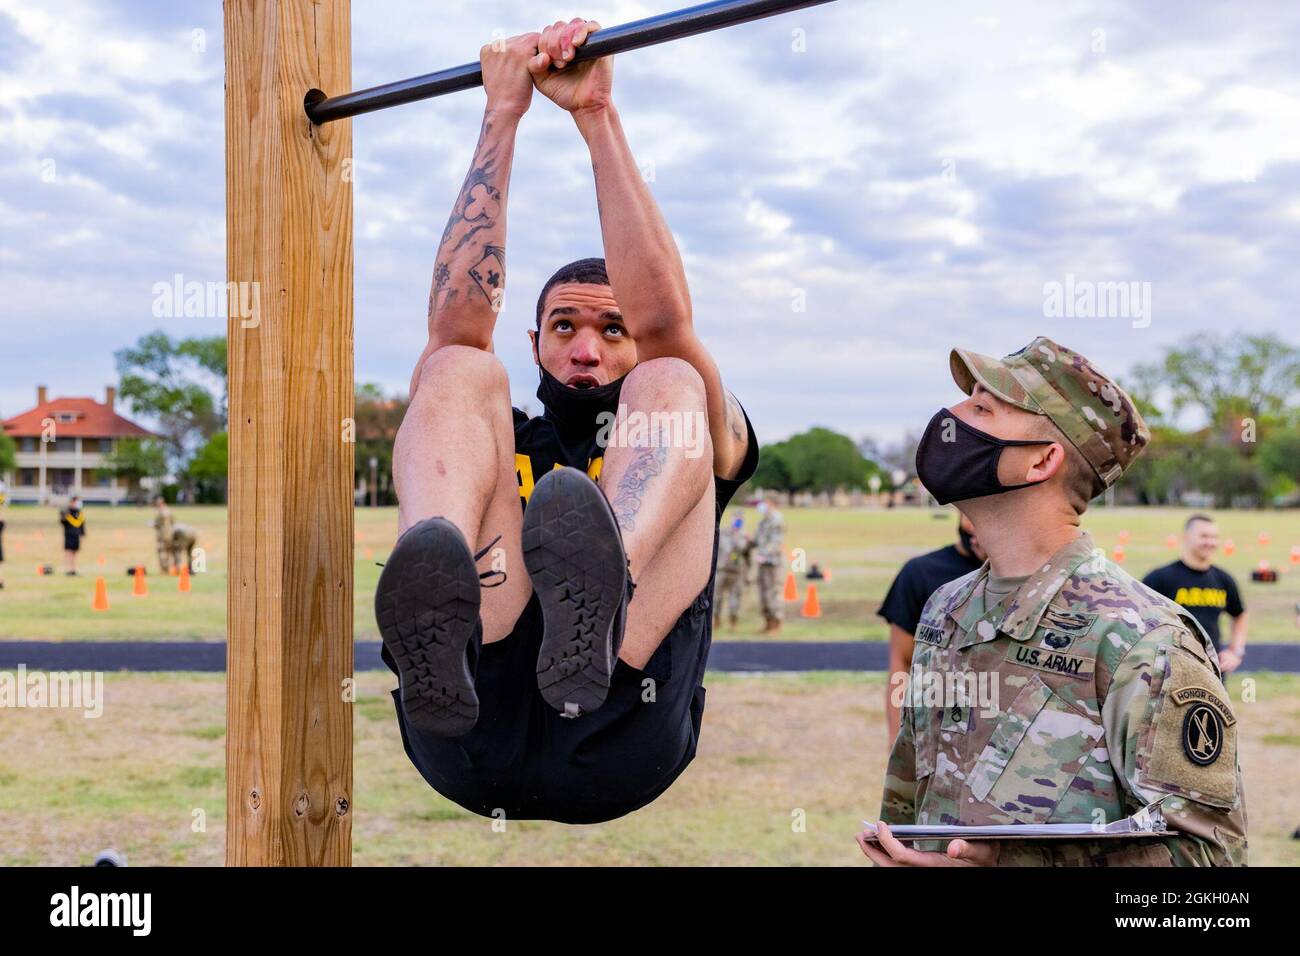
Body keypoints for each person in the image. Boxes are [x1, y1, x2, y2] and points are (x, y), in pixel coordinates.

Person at [374, 18, 757, 826]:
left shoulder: (687, 417)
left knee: (672, 375)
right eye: (564, 328)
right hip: (466, 724)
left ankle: (605, 582)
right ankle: (433, 620)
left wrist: (596, 116)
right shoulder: (500, 428)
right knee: (453, 365)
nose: (587, 349)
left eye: (610, 328)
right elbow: (456, 328)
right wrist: (500, 115)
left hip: (622, 729)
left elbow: (666, 333)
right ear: (537, 339)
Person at [859, 336, 1246, 867]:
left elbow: (1209, 873)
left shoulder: (1143, 641)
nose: (951, 418)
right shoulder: (945, 609)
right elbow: (913, 799)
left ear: (1042, 461)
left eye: (981, 407)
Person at [878, 514, 985, 742]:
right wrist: (896, 741)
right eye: (971, 515)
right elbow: (902, 664)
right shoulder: (921, 572)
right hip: (935, 737)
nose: (976, 528)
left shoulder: (1026, 576)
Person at [1143, 516, 1248, 672]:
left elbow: (1240, 615)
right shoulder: (1159, 578)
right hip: (1169, 672)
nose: (1210, 542)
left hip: (1211, 671)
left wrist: (1235, 651)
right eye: (1204, 536)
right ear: (1186, 537)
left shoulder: (1223, 579)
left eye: (1214, 537)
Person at [753, 495, 785, 634]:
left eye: (764, 502)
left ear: (771, 503)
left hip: (773, 563)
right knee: (764, 593)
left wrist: (763, 553)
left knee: (773, 593)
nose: (761, 505)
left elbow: (776, 543)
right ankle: (768, 622)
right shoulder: (764, 521)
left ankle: (776, 623)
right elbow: (757, 540)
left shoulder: (777, 520)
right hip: (762, 562)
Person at [713, 514, 751, 630]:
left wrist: (738, 536)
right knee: (717, 598)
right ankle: (716, 620)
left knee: (735, 599)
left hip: (737, 572)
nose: (737, 521)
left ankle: (733, 621)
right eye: (735, 518)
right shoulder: (722, 533)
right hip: (721, 570)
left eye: (739, 519)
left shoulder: (744, 536)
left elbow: (746, 553)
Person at [153, 496, 198, 574]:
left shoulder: (161, 513)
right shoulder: (169, 512)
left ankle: (175, 569)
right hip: (192, 534)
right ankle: (190, 569)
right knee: (188, 552)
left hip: (178, 535)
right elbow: (173, 522)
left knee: (175, 552)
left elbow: (159, 524)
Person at [59, 495, 86, 576]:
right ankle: (67, 569)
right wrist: (63, 516)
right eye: (76, 502)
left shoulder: (78, 512)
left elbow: (81, 524)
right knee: (68, 552)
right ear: (72, 502)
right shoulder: (67, 512)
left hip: (76, 535)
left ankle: (73, 569)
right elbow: (63, 522)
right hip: (69, 535)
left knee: (74, 553)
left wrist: (82, 533)